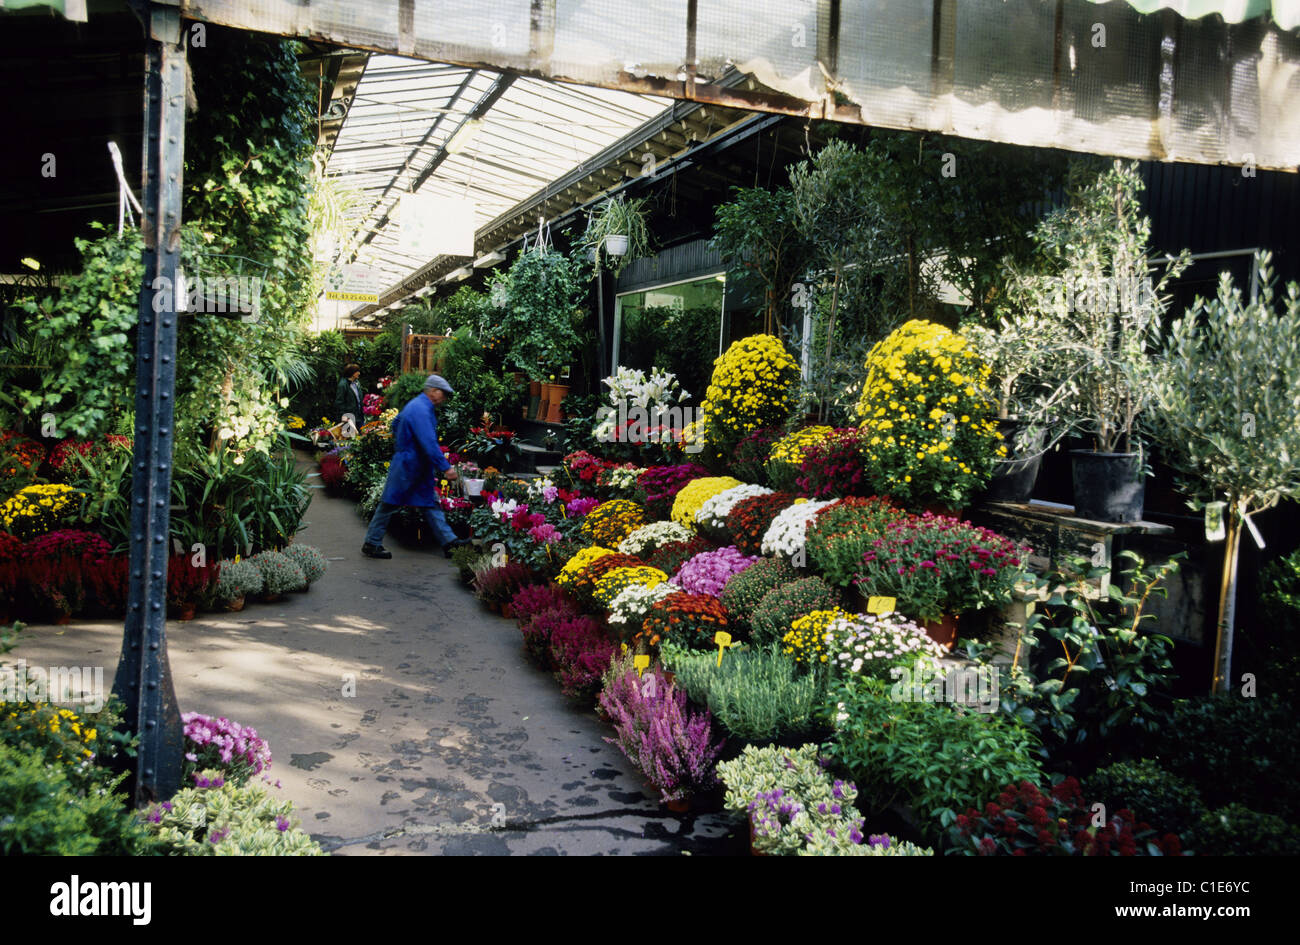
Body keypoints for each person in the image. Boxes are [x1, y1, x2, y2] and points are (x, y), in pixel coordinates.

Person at [361, 374, 469, 560]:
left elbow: (396, 423)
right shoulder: (422, 410)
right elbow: (428, 442)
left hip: (409, 463)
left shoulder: (416, 405)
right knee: (393, 504)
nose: (444, 398)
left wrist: (404, 442)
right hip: (411, 465)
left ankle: (449, 542)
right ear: (434, 391)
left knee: (427, 503)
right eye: (443, 394)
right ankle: (372, 542)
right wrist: (446, 468)